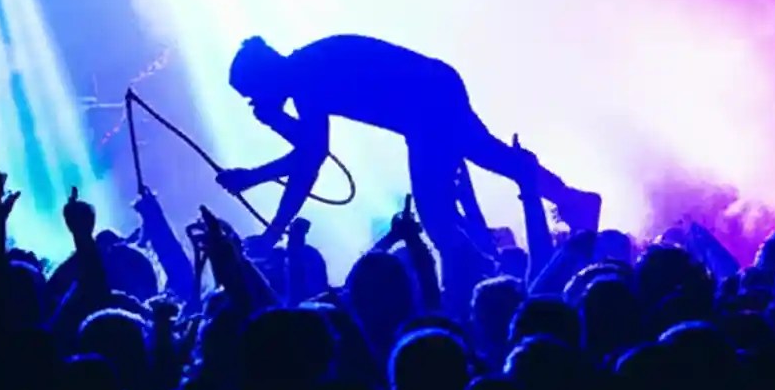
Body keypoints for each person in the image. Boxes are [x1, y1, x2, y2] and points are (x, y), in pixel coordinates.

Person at [216, 34, 602, 257]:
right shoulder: (306, 74)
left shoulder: (307, 81)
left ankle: (472, 278)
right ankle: (573, 200)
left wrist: (266, 214)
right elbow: (310, 152)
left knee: (436, 216)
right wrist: (275, 131)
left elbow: (311, 160)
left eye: (253, 93)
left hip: (425, 105)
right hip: (434, 89)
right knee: (489, 155)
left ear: (265, 76)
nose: (255, 102)